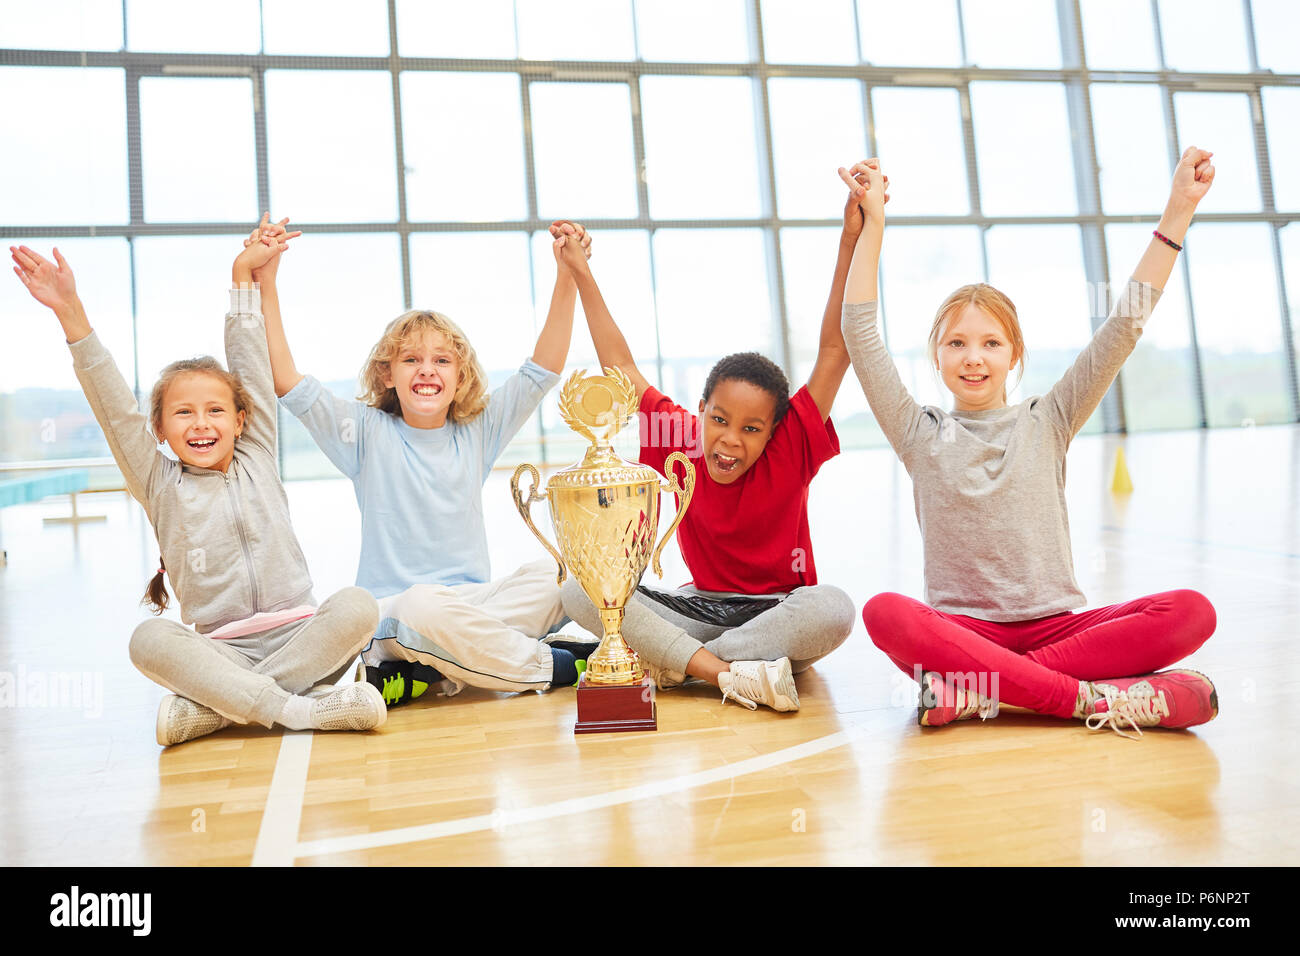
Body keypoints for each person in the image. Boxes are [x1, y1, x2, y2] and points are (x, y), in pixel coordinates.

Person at [840, 149, 1220, 738]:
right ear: (937, 357)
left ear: (1014, 354)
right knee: (884, 612)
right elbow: (860, 335)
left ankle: (976, 694)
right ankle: (1093, 702)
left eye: (991, 343)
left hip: (1059, 632)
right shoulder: (919, 433)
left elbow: (1125, 325)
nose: (973, 357)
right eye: (957, 343)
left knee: (1192, 611)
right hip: (963, 635)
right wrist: (875, 227)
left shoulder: (1051, 418)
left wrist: (1178, 212)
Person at [9, 236, 387, 746]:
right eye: (183, 413)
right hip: (221, 653)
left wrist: (241, 279)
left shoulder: (258, 452)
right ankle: (300, 709)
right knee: (148, 639)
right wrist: (70, 312)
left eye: (214, 410)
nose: (201, 423)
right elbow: (114, 406)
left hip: (303, 638)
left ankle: (223, 709)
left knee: (359, 605)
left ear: (240, 419)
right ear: (160, 430)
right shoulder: (158, 481)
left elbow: (251, 365)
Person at [551, 172, 885, 713]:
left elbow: (834, 350)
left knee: (834, 608)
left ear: (775, 433)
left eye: (752, 429)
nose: (730, 441)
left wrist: (851, 240)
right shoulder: (678, 438)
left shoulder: (793, 443)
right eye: (719, 420)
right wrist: (581, 272)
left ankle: (679, 664)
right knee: (576, 591)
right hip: (701, 609)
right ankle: (724, 673)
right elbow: (621, 367)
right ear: (701, 412)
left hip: (778, 617)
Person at [251, 215, 597, 705]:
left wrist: (567, 276)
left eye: (441, 360)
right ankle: (557, 665)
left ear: (461, 377)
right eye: (411, 359)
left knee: (558, 576)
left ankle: (431, 671)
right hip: (396, 611)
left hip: (472, 605)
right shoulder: (364, 433)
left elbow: (543, 368)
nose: (427, 369)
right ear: (387, 374)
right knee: (424, 605)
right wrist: (266, 282)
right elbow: (286, 379)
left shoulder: (477, 430)